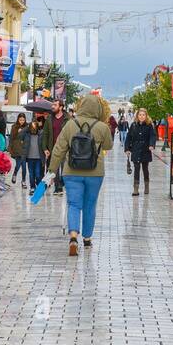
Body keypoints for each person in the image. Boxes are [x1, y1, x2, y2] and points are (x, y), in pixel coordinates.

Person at [47, 92, 115, 256]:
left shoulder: (70, 125)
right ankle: (87, 238)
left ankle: (73, 237)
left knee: (74, 204)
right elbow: (108, 146)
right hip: (95, 172)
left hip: (72, 171)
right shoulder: (102, 127)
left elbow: (58, 150)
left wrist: (51, 172)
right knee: (90, 205)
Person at [126, 107, 157, 196]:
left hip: (145, 150)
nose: (142, 116)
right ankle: (136, 188)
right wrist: (127, 149)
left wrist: (151, 145)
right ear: (137, 116)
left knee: (145, 168)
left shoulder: (149, 125)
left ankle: (146, 186)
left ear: (146, 116)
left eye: (143, 115)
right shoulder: (133, 125)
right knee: (136, 168)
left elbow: (152, 136)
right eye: (140, 115)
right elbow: (128, 137)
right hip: (135, 150)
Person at [23, 116, 49, 191]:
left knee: (38, 174)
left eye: (35, 127)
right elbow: (20, 135)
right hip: (30, 158)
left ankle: (38, 185)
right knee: (31, 174)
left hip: (38, 158)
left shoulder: (41, 134)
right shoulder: (27, 135)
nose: (33, 129)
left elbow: (45, 138)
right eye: (32, 127)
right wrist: (27, 127)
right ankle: (32, 187)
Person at [49, 101, 68, 195]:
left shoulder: (67, 119)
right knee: (54, 169)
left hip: (64, 149)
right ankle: (57, 188)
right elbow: (46, 134)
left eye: (55, 105)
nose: (53, 106)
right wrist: (45, 148)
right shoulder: (50, 118)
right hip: (54, 148)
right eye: (53, 105)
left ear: (61, 107)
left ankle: (61, 183)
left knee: (64, 169)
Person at [9, 113, 29, 187]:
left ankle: (23, 181)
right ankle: (14, 174)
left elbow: (28, 137)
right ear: (18, 119)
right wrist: (10, 148)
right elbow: (11, 138)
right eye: (20, 120)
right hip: (17, 148)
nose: (22, 121)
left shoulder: (27, 127)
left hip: (24, 149)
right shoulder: (14, 127)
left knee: (24, 166)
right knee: (18, 165)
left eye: (23, 120)